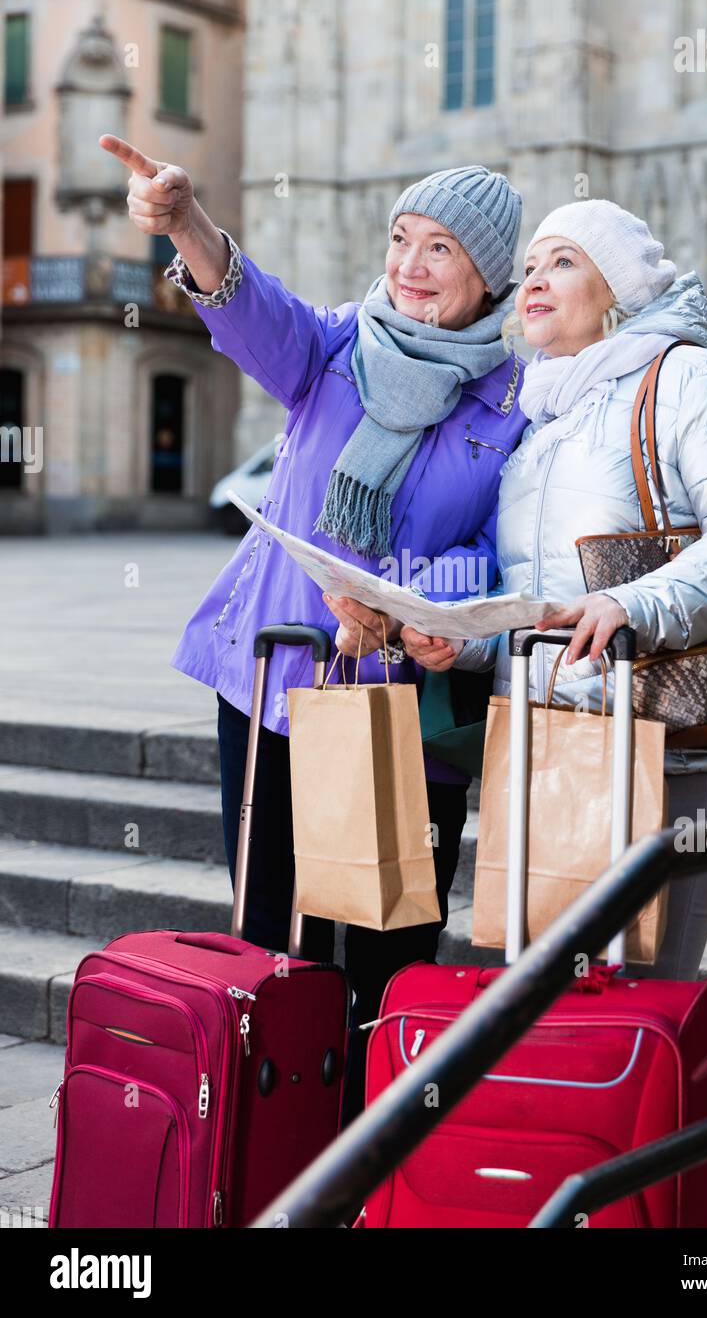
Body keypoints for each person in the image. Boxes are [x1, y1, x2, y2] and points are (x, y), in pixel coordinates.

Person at [101, 132, 527, 1121]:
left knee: (382, 956)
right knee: (267, 938)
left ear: (486, 276)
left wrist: (408, 598)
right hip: (275, 685)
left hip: (401, 718)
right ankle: (264, 1149)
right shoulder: (338, 344)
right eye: (399, 239)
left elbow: (498, 548)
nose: (407, 266)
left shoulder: (509, 401)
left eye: (438, 250)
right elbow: (254, 313)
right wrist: (187, 220)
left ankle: (359, 1164)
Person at [406, 199, 707, 981]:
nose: (535, 282)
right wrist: (469, 642)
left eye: (564, 262)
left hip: (669, 743)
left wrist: (636, 606)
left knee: (644, 1001)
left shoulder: (686, 374)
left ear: (617, 285)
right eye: (528, 269)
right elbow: (544, 594)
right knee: (553, 1015)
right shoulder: (543, 411)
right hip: (553, 744)